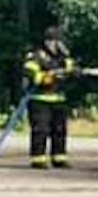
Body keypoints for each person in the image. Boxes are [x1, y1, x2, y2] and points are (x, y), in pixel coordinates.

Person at [23, 25, 77, 169]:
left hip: (59, 99)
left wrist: (73, 71)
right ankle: (38, 159)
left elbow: (70, 68)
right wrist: (46, 76)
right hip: (40, 100)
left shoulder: (62, 56)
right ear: (48, 42)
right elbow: (30, 71)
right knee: (41, 130)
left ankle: (59, 158)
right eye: (55, 41)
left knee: (60, 130)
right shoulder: (36, 55)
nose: (58, 45)